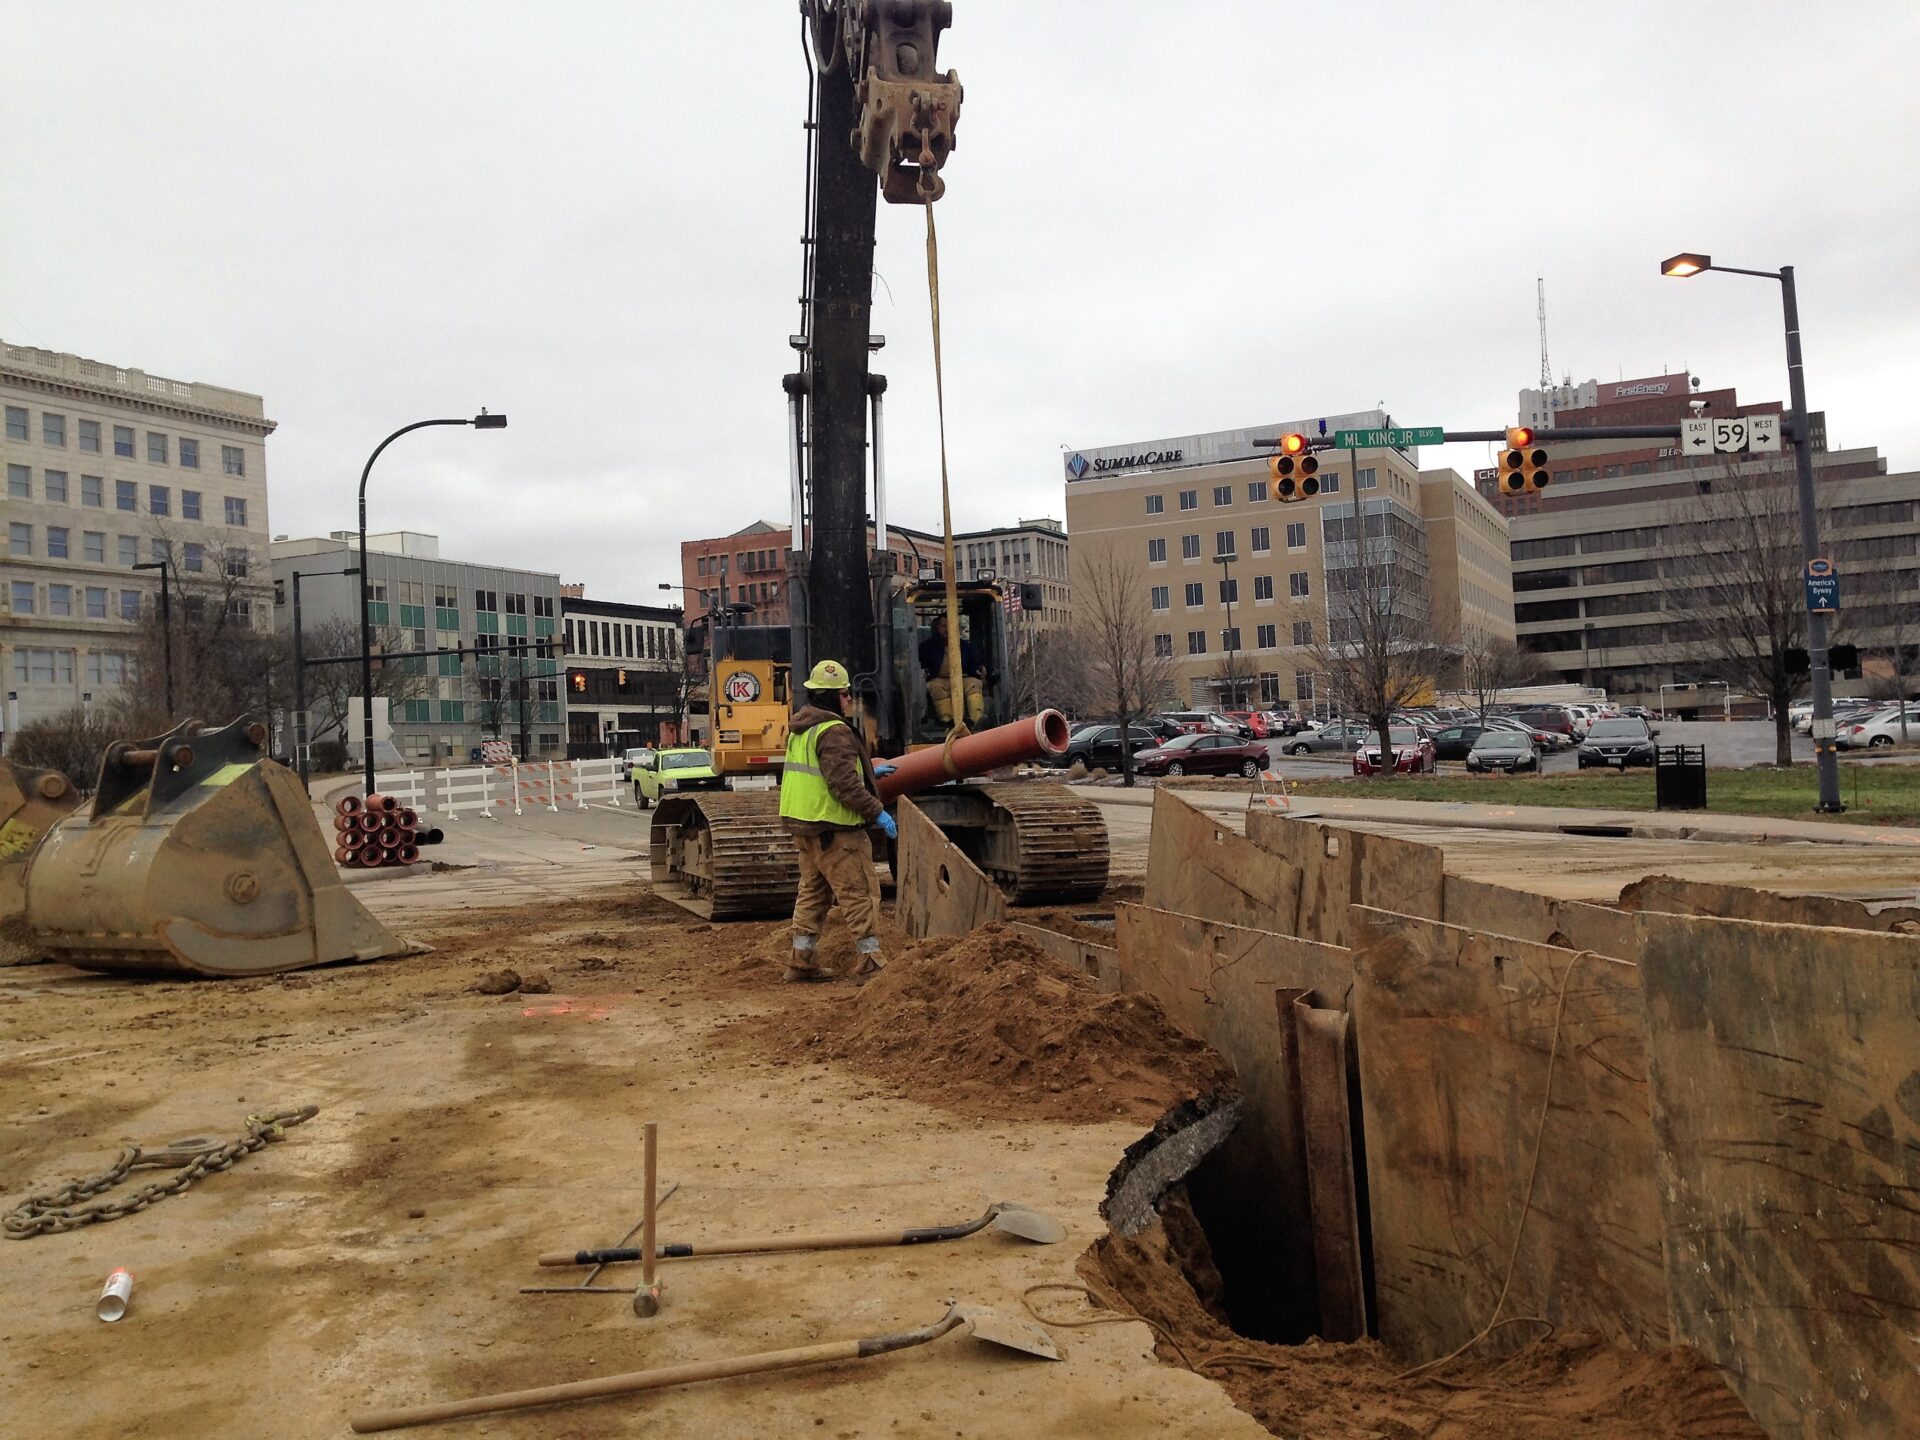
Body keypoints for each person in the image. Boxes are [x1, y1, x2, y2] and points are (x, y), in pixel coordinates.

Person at [777, 658, 898, 985]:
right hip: (836, 830)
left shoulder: (803, 727)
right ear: (830, 696)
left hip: (807, 830)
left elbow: (826, 771)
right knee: (860, 894)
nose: (849, 699)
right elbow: (842, 784)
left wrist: (869, 770)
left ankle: (801, 961)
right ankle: (872, 962)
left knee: (812, 896)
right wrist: (877, 811)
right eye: (844, 694)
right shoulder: (834, 731)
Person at [917, 613, 985, 727]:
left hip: (962, 679)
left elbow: (974, 663)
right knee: (936, 687)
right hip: (939, 679)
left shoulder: (964, 645)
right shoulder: (926, 646)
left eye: (951, 625)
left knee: (974, 683)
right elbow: (921, 666)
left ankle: (977, 721)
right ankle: (948, 721)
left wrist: (979, 669)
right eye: (944, 626)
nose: (948, 629)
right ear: (937, 627)